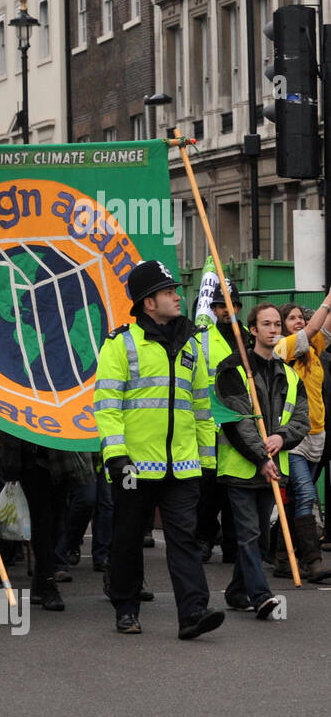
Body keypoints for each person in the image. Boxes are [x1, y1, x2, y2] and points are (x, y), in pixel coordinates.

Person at [93, 260, 221, 639]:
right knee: (129, 539)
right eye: (169, 292)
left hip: (182, 466)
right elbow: (107, 405)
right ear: (149, 302)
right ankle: (127, 607)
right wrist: (116, 455)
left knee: (184, 538)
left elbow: (201, 407)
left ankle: (193, 612)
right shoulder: (121, 344)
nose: (177, 297)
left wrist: (207, 461)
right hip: (134, 466)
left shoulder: (192, 344)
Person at [215, 302, 305, 618]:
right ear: (253, 330)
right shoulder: (233, 369)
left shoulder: (289, 374)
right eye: (266, 324)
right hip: (241, 468)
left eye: (276, 325)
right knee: (249, 533)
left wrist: (281, 436)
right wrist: (259, 458)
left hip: (272, 470)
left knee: (260, 538)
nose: (273, 330)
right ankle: (260, 595)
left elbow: (301, 418)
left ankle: (238, 590)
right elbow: (236, 421)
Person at [272, 295, 331, 581]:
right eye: (293, 318)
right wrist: (327, 301)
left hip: (316, 435)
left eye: (302, 317)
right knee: (307, 494)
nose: (300, 322)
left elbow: (324, 330)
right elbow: (312, 330)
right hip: (293, 437)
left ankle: (283, 558)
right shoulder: (283, 348)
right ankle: (313, 561)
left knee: (296, 499)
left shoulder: (313, 351)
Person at [197, 279, 245, 561]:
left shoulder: (250, 337)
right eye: (222, 306)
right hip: (212, 424)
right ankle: (203, 539)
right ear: (214, 309)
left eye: (233, 305)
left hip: (242, 423)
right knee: (209, 488)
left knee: (235, 488)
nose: (228, 310)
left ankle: (231, 545)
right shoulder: (201, 338)